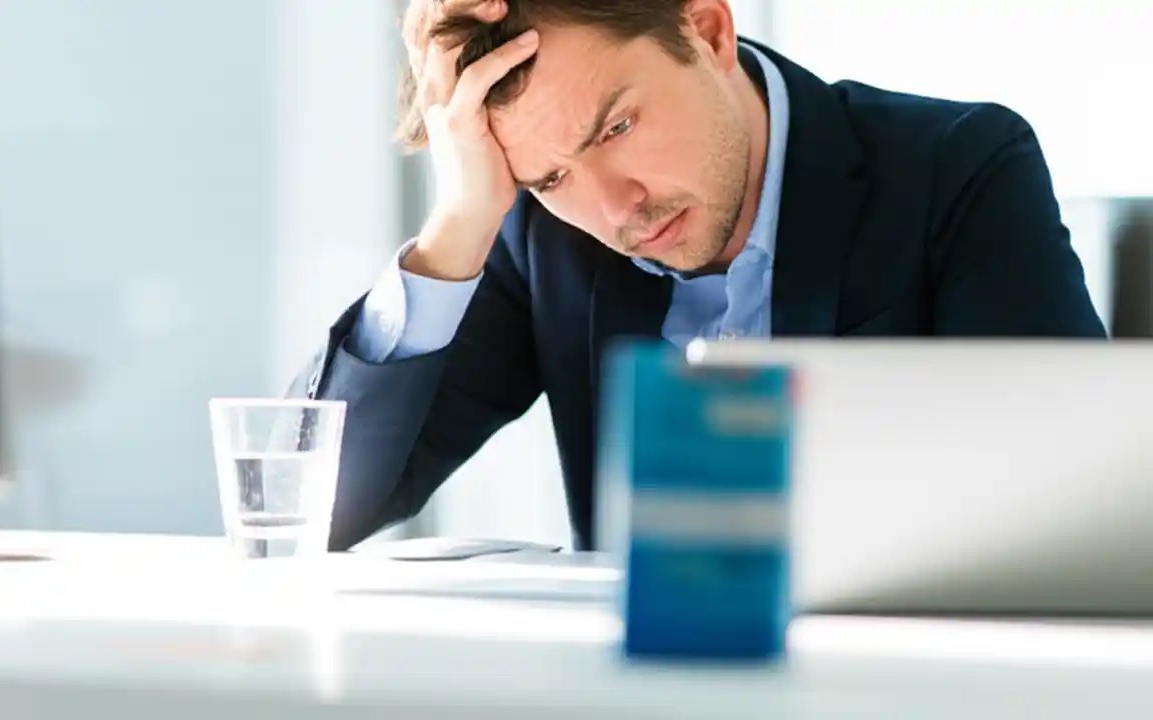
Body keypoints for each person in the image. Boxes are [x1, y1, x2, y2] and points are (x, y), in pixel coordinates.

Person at [295, 0, 1106, 551]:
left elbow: (1075, 512)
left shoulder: (957, 169)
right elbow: (313, 507)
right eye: (550, 177)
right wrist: (458, 225)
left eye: (617, 125)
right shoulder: (542, 229)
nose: (616, 208)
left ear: (708, 29)